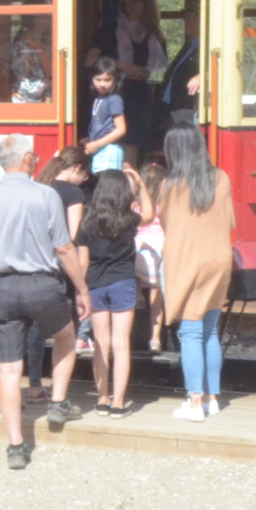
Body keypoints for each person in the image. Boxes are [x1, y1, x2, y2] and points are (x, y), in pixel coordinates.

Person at [0, 134, 91, 470]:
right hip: (43, 286)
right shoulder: (46, 195)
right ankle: (59, 401)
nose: (37, 160)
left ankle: (16, 446)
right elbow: (64, 249)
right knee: (66, 335)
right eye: (34, 156)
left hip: (2, 289)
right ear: (25, 159)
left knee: (9, 367)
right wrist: (81, 289)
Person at [159, 124, 234, 421]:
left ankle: (194, 404)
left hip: (188, 259)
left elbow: (168, 224)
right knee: (209, 331)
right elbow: (229, 220)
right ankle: (212, 399)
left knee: (189, 332)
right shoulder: (221, 177)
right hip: (219, 258)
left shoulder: (171, 184)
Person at [75, 168, 153, 418]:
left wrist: (80, 290)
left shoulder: (86, 222)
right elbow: (150, 214)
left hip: (96, 285)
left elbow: (83, 263)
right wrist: (140, 184)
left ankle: (102, 399)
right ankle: (119, 403)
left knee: (101, 343)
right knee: (121, 345)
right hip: (123, 283)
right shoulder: (128, 219)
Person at [86, 0, 167, 153]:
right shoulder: (110, 29)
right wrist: (122, 66)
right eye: (126, 2)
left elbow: (155, 69)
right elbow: (89, 60)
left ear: (145, 5)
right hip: (113, 93)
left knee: (132, 150)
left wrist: (139, 72)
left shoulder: (154, 35)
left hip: (138, 98)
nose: (129, 7)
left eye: (135, 2)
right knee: (111, 146)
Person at [33, 146, 91, 382]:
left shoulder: (39, 184)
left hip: (35, 260)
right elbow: (74, 235)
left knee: (33, 331)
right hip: (60, 264)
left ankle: (35, 384)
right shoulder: (73, 192)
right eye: (84, 175)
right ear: (76, 168)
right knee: (66, 333)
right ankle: (61, 389)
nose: (84, 181)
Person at [135, 153, 169, 351]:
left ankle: (138, 293)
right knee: (157, 296)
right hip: (159, 251)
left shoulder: (137, 203)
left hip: (139, 250)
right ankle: (155, 338)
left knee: (133, 265)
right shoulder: (164, 204)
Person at [158, 9, 203, 132]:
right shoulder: (190, 44)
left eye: (191, 19)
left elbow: (218, 68)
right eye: (185, 19)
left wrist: (202, 76)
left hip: (188, 106)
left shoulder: (208, 47)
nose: (186, 22)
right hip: (172, 105)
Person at [85, 57, 127, 173]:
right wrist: (90, 139)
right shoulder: (99, 98)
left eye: (107, 80)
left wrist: (97, 144)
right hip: (100, 149)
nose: (102, 84)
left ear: (116, 79)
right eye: (98, 79)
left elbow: (121, 129)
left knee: (107, 185)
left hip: (109, 150)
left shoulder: (114, 99)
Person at [10, 15, 50, 104]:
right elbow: (27, 86)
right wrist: (52, 84)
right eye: (44, 16)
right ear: (33, 20)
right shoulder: (23, 47)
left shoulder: (43, 44)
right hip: (27, 106)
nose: (48, 19)